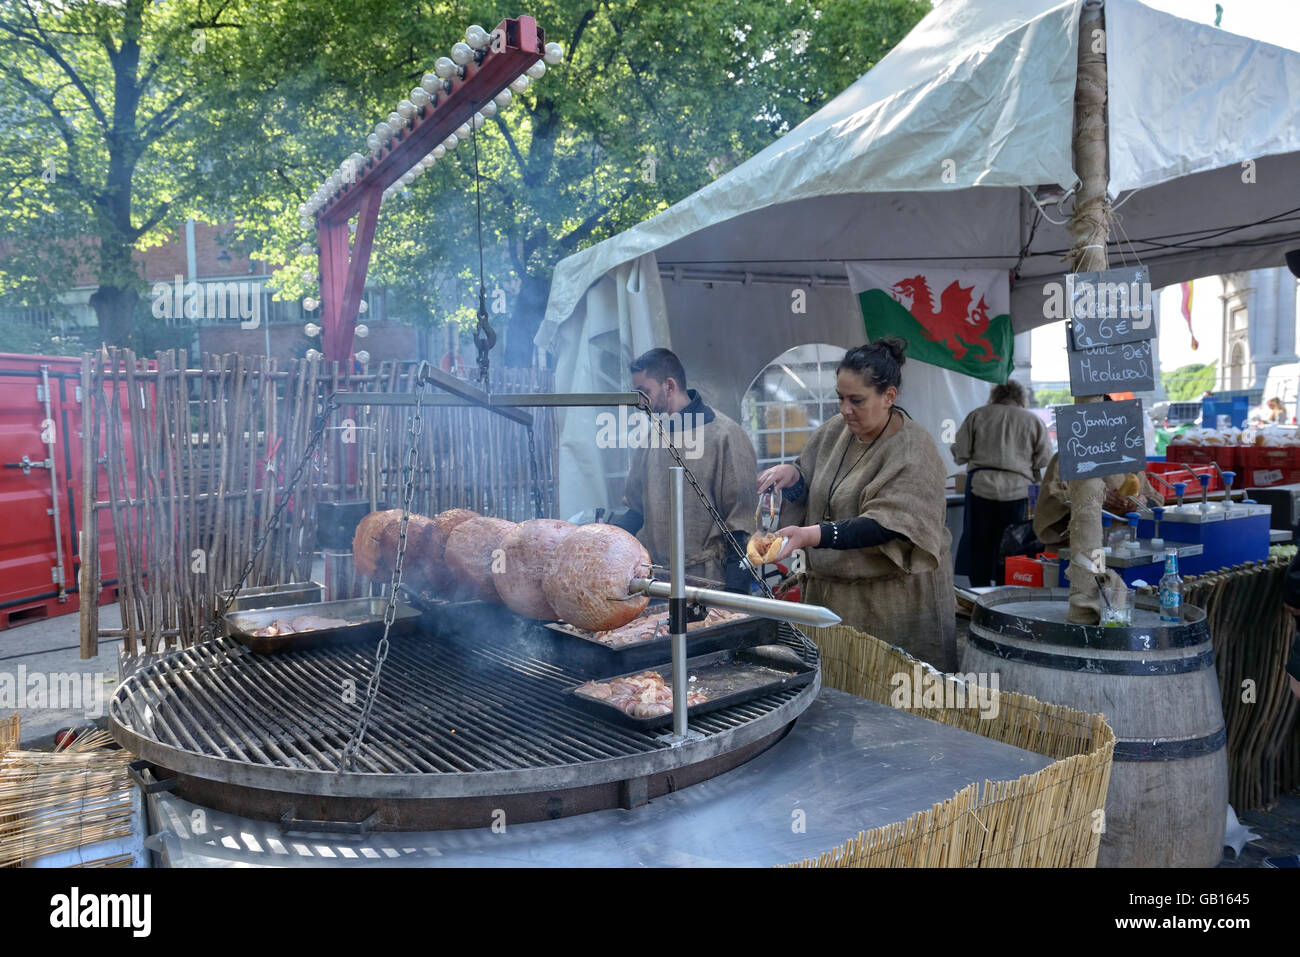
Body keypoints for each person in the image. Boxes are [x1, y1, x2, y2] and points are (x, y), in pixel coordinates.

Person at [757, 339, 957, 671]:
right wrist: (793, 475)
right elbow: (812, 478)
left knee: (888, 698)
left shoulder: (913, 449)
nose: (845, 409)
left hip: (891, 602)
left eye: (857, 400)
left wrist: (811, 536)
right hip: (833, 599)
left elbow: (884, 524)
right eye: (840, 398)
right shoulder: (838, 430)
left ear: (889, 397)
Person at [619, 348, 758, 590]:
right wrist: (597, 537)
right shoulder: (651, 438)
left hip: (709, 585)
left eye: (645, 392)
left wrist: (734, 599)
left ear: (669, 386)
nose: (639, 403)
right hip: (657, 584)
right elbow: (637, 512)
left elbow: (742, 526)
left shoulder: (725, 435)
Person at [950, 380, 1052, 586]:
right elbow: (1044, 460)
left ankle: (979, 593)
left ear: (995, 395)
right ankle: (1005, 593)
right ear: (1020, 397)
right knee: (1012, 546)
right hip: (1017, 491)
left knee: (978, 544)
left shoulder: (978, 415)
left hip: (980, 487)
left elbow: (960, 453)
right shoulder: (1032, 420)